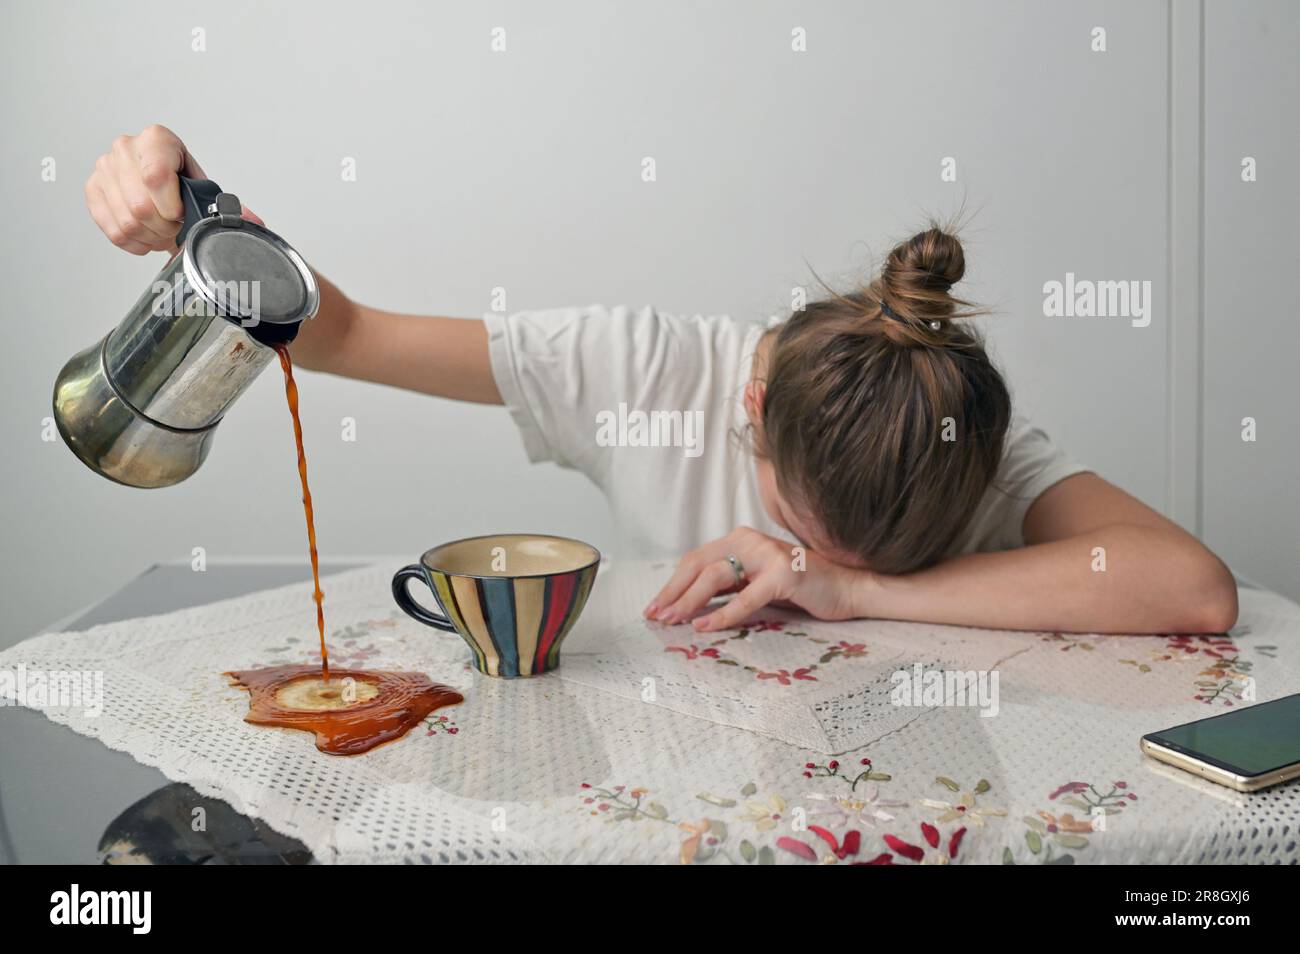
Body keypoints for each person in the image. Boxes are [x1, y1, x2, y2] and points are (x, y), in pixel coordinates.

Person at [83, 125, 1239, 636]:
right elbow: (347, 335)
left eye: (886, 552)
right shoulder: (641, 370)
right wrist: (197, 203)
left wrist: (854, 593)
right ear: (750, 412)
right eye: (811, 529)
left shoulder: (956, 434)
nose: (824, 565)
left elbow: (1188, 587)